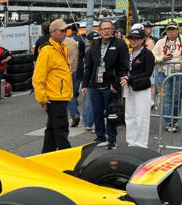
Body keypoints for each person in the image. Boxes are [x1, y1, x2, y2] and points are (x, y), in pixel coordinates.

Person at [82, 19, 129, 149]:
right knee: (97, 113)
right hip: (95, 85)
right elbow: (89, 67)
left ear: (113, 30)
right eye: (104, 29)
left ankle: (112, 139)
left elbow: (123, 67)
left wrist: (116, 84)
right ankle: (100, 137)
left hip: (111, 86)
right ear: (100, 31)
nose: (107, 31)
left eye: (109, 28)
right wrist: (85, 84)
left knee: (111, 114)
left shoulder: (120, 44)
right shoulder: (95, 45)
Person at [33, 19, 73, 153]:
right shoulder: (47, 51)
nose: (65, 33)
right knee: (61, 128)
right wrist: (42, 98)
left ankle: (46, 156)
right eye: (62, 31)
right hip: (55, 96)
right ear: (53, 32)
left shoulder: (61, 47)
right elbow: (38, 77)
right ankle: (66, 156)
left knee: (52, 129)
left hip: (60, 95)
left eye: (65, 30)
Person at [152, 21, 182, 132]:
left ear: (178, 30)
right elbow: (152, 56)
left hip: (179, 73)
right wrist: (162, 58)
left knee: (177, 98)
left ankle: (175, 120)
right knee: (167, 98)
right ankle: (170, 122)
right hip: (163, 72)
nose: (171, 31)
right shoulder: (160, 42)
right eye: (169, 29)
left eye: (173, 29)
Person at [120, 24, 155, 148]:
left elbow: (147, 73)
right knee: (129, 116)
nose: (133, 40)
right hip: (129, 88)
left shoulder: (147, 54)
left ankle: (141, 144)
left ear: (142, 39)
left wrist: (130, 79)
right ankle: (131, 142)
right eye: (131, 38)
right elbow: (124, 68)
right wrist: (124, 76)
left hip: (141, 89)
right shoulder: (128, 53)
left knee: (141, 117)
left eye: (136, 38)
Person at [65, 24, 86, 126]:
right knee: (76, 83)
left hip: (65, 69)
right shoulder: (80, 40)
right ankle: (75, 95)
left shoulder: (65, 41)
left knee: (66, 93)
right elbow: (82, 53)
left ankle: (72, 114)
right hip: (78, 65)